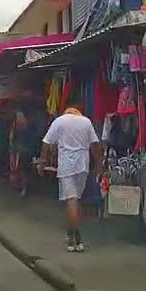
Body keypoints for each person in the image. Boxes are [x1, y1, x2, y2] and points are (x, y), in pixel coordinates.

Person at [40, 107, 102, 253]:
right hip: (83, 166)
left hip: (67, 166)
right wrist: (99, 164)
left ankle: (77, 239)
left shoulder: (59, 121)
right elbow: (95, 145)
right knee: (76, 200)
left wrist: (42, 162)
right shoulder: (86, 122)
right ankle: (70, 232)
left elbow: (46, 143)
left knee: (71, 201)